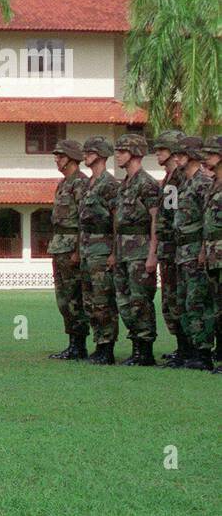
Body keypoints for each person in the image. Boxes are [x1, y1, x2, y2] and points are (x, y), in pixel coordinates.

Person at [112, 132, 160, 365]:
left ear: (134, 153)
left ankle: (145, 351)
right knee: (125, 301)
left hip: (140, 251)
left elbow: (155, 220)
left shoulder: (147, 184)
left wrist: (152, 254)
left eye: (122, 151)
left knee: (141, 301)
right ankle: (136, 347)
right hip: (123, 251)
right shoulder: (124, 185)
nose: (118, 155)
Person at [173, 136, 215, 370]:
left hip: (195, 251)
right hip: (182, 251)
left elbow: (207, 222)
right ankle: (191, 349)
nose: (176, 158)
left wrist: (202, 251)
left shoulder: (202, 184)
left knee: (198, 302)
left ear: (190, 156)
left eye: (180, 154)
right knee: (184, 303)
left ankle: (204, 352)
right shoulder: (185, 183)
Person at [77, 137, 120, 364]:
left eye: (90, 152)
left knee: (104, 300)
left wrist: (114, 252)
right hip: (87, 250)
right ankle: (98, 343)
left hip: (102, 249)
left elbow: (116, 220)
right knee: (90, 301)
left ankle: (107, 347)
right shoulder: (87, 184)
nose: (85, 155)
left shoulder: (110, 185)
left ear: (101, 155)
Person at [48, 139, 88, 358]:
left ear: (72, 158)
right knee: (63, 298)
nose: (57, 160)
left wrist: (79, 251)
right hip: (59, 245)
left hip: (72, 244)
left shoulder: (80, 183)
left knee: (74, 298)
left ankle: (79, 344)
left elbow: (84, 219)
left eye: (60, 156)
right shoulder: (63, 183)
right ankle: (72, 342)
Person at [151, 131, 186, 363]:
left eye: (162, 149)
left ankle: (188, 348)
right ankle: (181, 347)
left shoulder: (179, 179)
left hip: (177, 248)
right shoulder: (167, 180)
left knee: (181, 299)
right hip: (167, 248)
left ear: (174, 153)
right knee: (170, 300)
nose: (158, 153)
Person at [201, 135, 222, 374]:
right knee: (218, 308)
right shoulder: (213, 184)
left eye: (211, 153)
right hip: (214, 254)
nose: (206, 158)